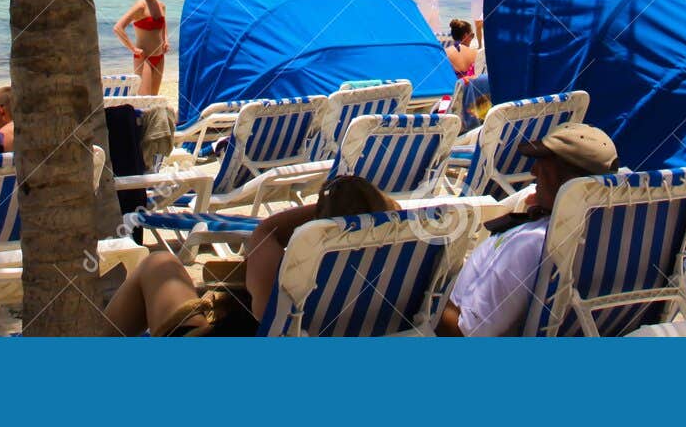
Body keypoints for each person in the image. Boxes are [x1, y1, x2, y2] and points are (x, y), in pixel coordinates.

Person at [104, 177, 394, 335]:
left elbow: (266, 230)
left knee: (160, 263)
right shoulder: (406, 284)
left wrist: (323, 212)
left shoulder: (289, 283)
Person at [436, 124, 619, 336]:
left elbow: (464, 332)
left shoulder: (532, 243)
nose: (533, 171)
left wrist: (430, 309)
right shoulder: (613, 235)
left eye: (544, 164)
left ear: (569, 182)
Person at [115, 0, 169, 95]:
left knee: (154, 97)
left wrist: (166, 40)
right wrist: (133, 49)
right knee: (145, 99)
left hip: (160, 56)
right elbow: (118, 27)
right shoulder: (140, 6)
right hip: (144, 58)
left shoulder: (161, 6)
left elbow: (163, 24)